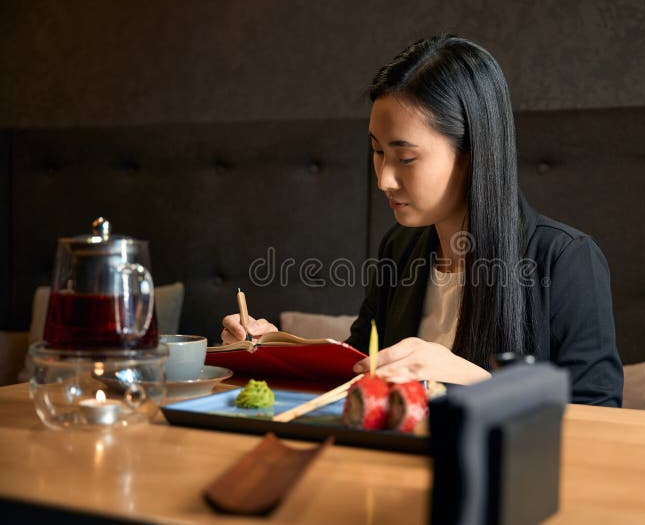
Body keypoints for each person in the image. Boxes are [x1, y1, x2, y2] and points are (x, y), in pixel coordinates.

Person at [222, 34, 623, 407]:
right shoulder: (400, 248)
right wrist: (276, 349)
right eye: (378, 152)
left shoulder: (566, 259)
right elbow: (361, 365)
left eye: (406, 158)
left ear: (472, 154)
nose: (384, 179)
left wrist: (474, 380)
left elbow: (600, 413)